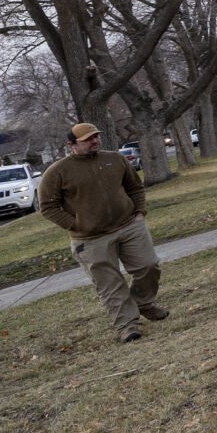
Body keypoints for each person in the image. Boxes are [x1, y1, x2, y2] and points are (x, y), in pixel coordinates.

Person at [38, 123, 167, 343]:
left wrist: (139, 211)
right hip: (90, 239)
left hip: (129, 225)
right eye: (87, 139)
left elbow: (135, 187)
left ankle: (144, 304)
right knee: (110, 283)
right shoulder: (57, 171)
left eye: (96, 137)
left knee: (148, 266)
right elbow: (48, 207)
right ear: (71, 145)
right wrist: (76, 224)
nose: (95, 141)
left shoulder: (115, 159)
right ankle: (127, 326)